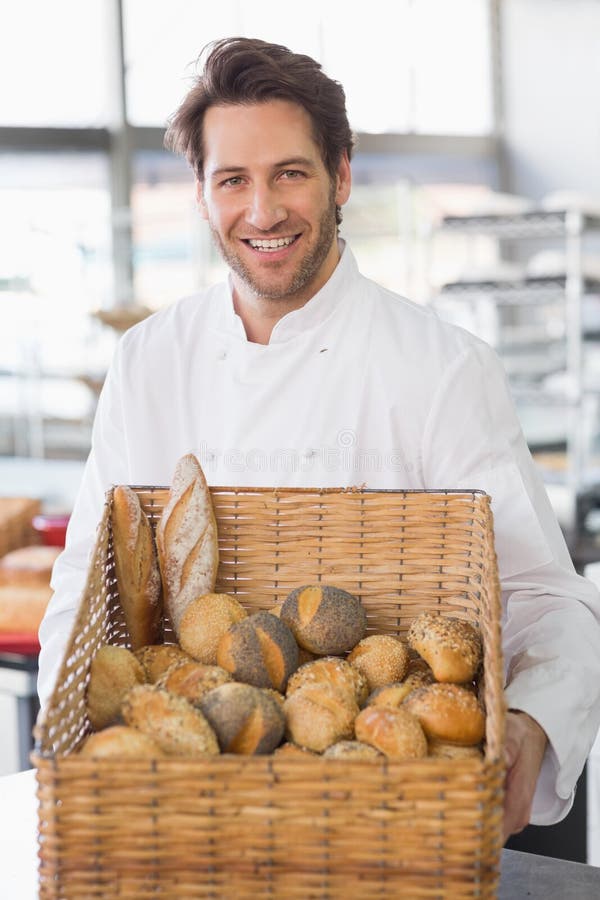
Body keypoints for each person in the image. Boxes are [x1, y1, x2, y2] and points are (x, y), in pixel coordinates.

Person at [38, 36, 600, 843]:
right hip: (187, 825)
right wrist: (72, 730)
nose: (262, 212)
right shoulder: (148, 361)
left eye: (289, 174)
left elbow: (551, 601)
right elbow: (83, 586)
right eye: (232, 180)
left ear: (340, 175)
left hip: (385, 827)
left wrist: (528, 726)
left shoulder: (441, 368)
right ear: (201, 193)